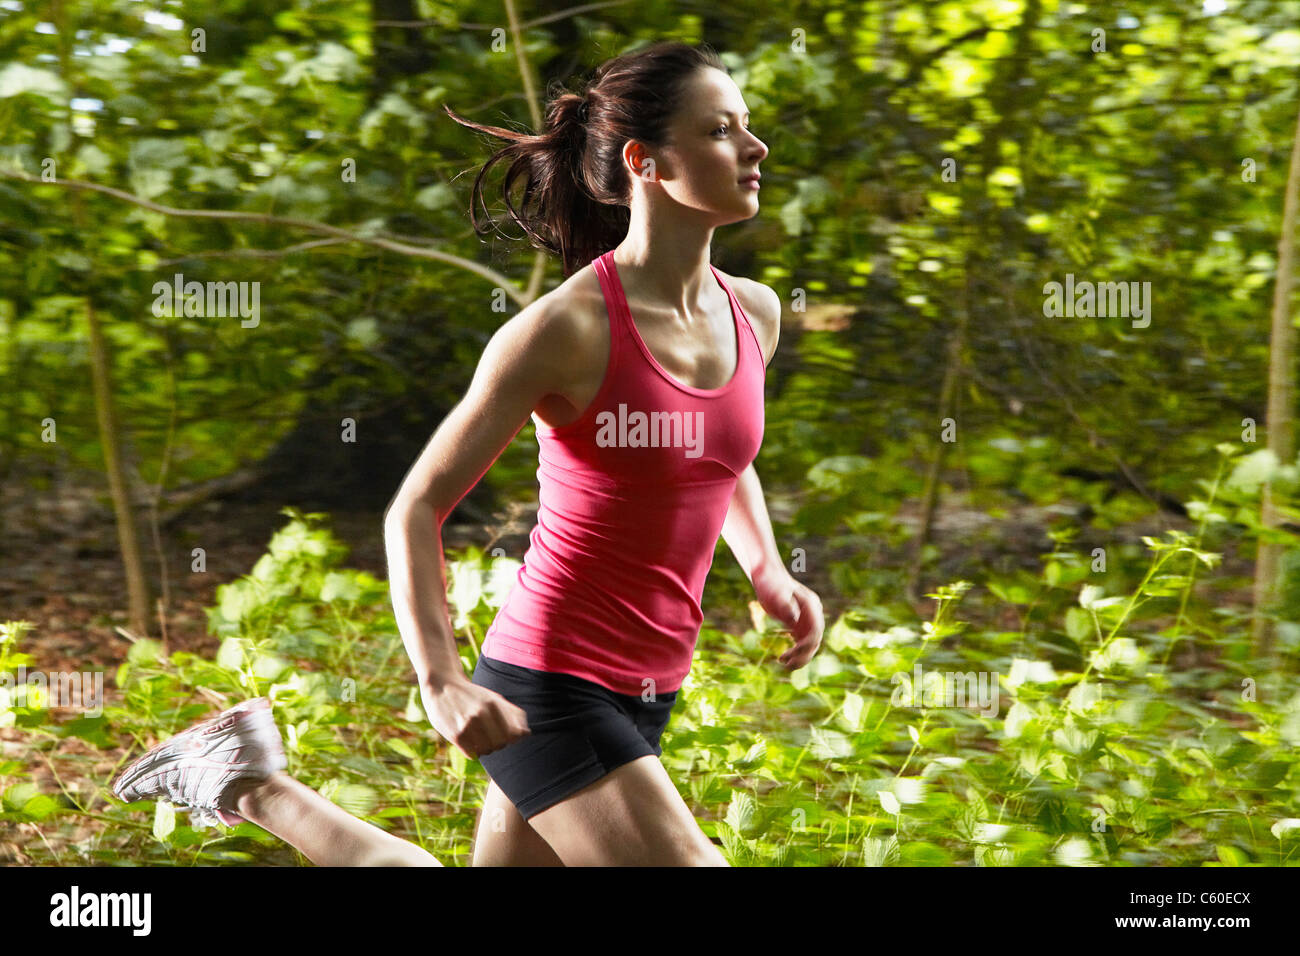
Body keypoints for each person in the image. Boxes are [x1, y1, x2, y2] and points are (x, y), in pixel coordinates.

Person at [110, 39, 824, 867]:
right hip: (554, 678)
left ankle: (248, 780)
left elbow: (716, 455)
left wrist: (766, 567)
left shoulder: (755, 314)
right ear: (646, 161)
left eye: (747, 126)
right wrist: (442, 679)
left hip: (654, 680)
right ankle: (247, 780)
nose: (755, 145)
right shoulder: (567, 330)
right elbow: (416, 506)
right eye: (722, 129)